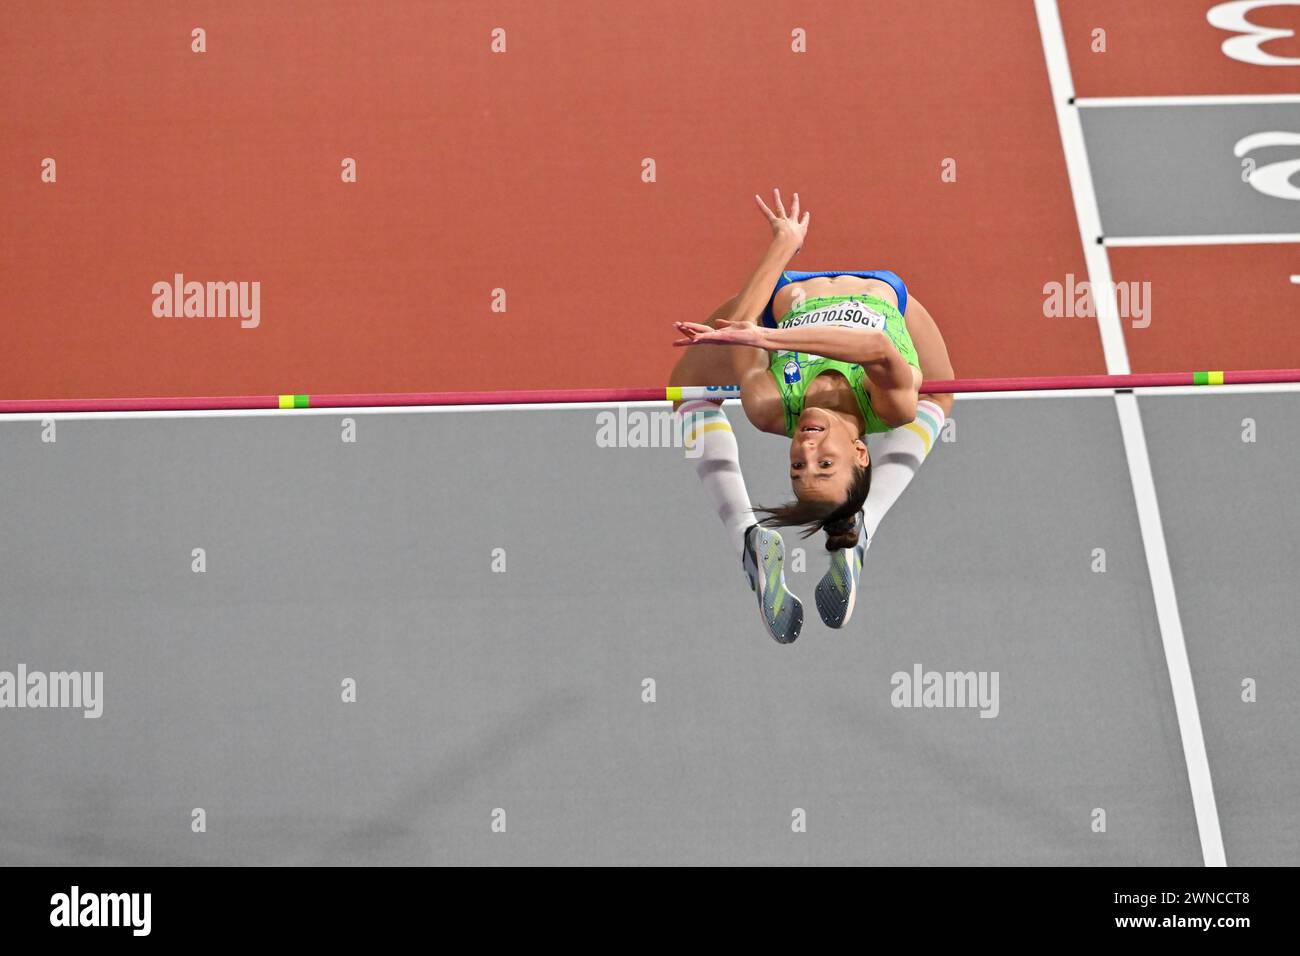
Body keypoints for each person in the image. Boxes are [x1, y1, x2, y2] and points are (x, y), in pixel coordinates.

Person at [670, 189, 954, 644]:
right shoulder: (889, 405)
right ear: (861, 452)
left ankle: (747, 537)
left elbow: (740, 336)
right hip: (890, 297)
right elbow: (878, 348)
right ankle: (866, 521)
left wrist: (783, 245)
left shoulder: (769, 406)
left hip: (784, 296)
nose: (805, 449)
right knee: (937, 397)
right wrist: (774, 341)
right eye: (825, 463)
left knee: (687, 394)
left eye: (797, 467)